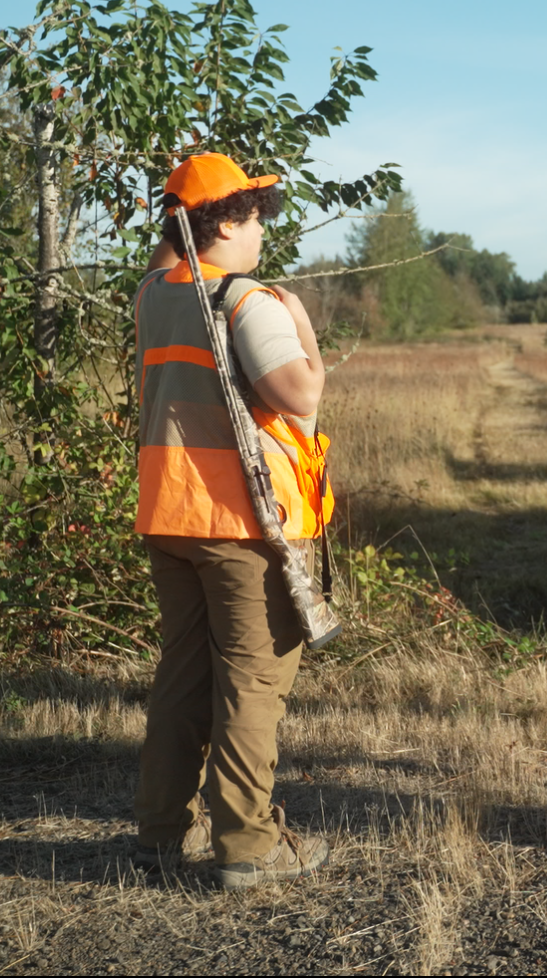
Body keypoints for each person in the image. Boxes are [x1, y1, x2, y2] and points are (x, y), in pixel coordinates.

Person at [131, 152, 333, 890]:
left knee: (183, 678)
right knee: (252, 684)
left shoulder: (154, 296)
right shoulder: (250, 303)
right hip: (244, 526)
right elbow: (300, 397)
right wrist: (302, 324)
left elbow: (168, 258)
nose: (262, 232)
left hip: (169, 515)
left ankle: (160, 835)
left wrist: (178, 211)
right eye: (252, 217)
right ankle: (248, 848)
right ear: (223, 225)